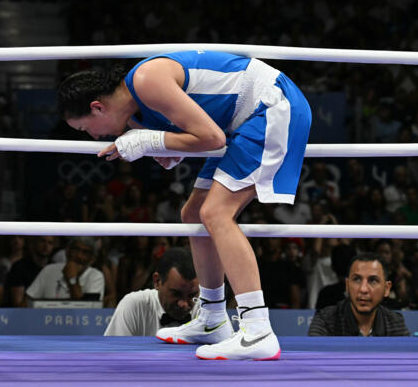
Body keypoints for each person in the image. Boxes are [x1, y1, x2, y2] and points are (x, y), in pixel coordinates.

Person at [58, 51, 312, 360]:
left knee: (216, 212)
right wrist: (165, 146)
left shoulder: (146, 80)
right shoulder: (138, 111)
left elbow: (212, 138)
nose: (93, 136)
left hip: (272, 106)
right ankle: (213, 318)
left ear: (97, 107)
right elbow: (196, 132)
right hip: (242, 123)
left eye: (86, 129)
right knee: (193, 214)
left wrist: (147, 142)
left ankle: (257, 329)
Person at [308, 253, 409, 336]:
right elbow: (313, 359)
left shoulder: (395, 323)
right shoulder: (325, 321)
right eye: (357, 279)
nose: (363, 289)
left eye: (373, 280)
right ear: (347, 286)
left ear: (386, 289)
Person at [107, 246, 199, 337]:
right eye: (176, 293)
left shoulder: (206, 307)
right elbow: (113, 351)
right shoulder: (135, 305)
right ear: (157, 281)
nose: (184, 304)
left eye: (192, 295)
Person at [25, 236, 105, 303]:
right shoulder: (49, 270)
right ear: (67, 251)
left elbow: (86, 311)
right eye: (76, 250)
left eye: (85, 252)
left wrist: (72, 279)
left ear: (92, 259)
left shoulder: (96, 276)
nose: (79, 256)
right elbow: (27, 302)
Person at [4, 235, 56, 307]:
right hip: (25, 313)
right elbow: (18, 304)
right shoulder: (20, 267)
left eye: (50, 243)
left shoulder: (54, 268)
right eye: (42, 241)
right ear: (34, 242)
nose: (46, 245)